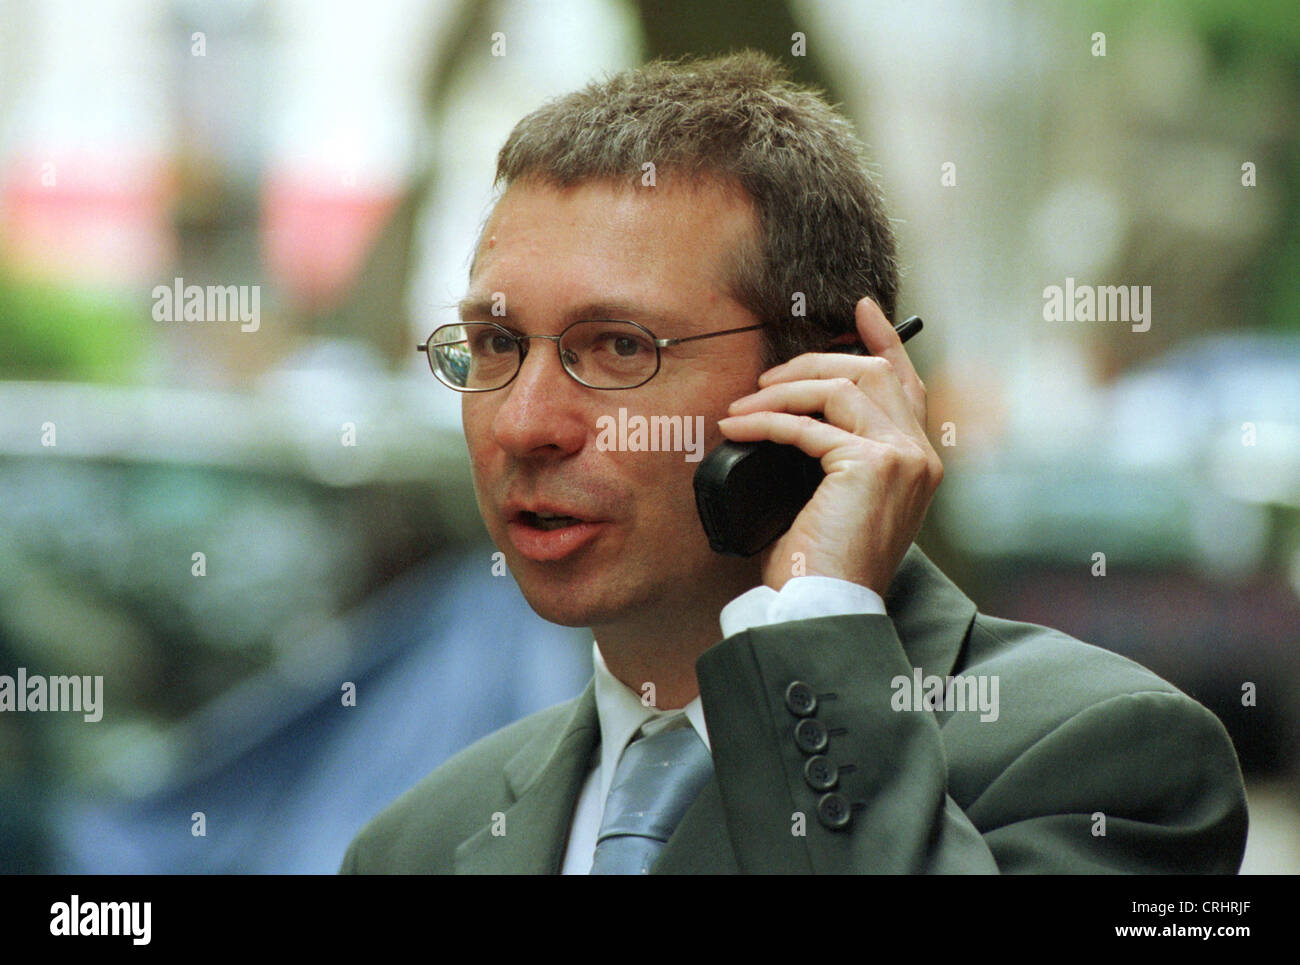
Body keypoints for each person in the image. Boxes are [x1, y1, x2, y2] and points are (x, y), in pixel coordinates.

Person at [340, 51, 1247, 874]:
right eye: (494, 342)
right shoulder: (415, 841)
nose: (526, 423)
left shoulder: (1112, 758)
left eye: (619, 347)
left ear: (823, 384)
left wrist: (817, 613)